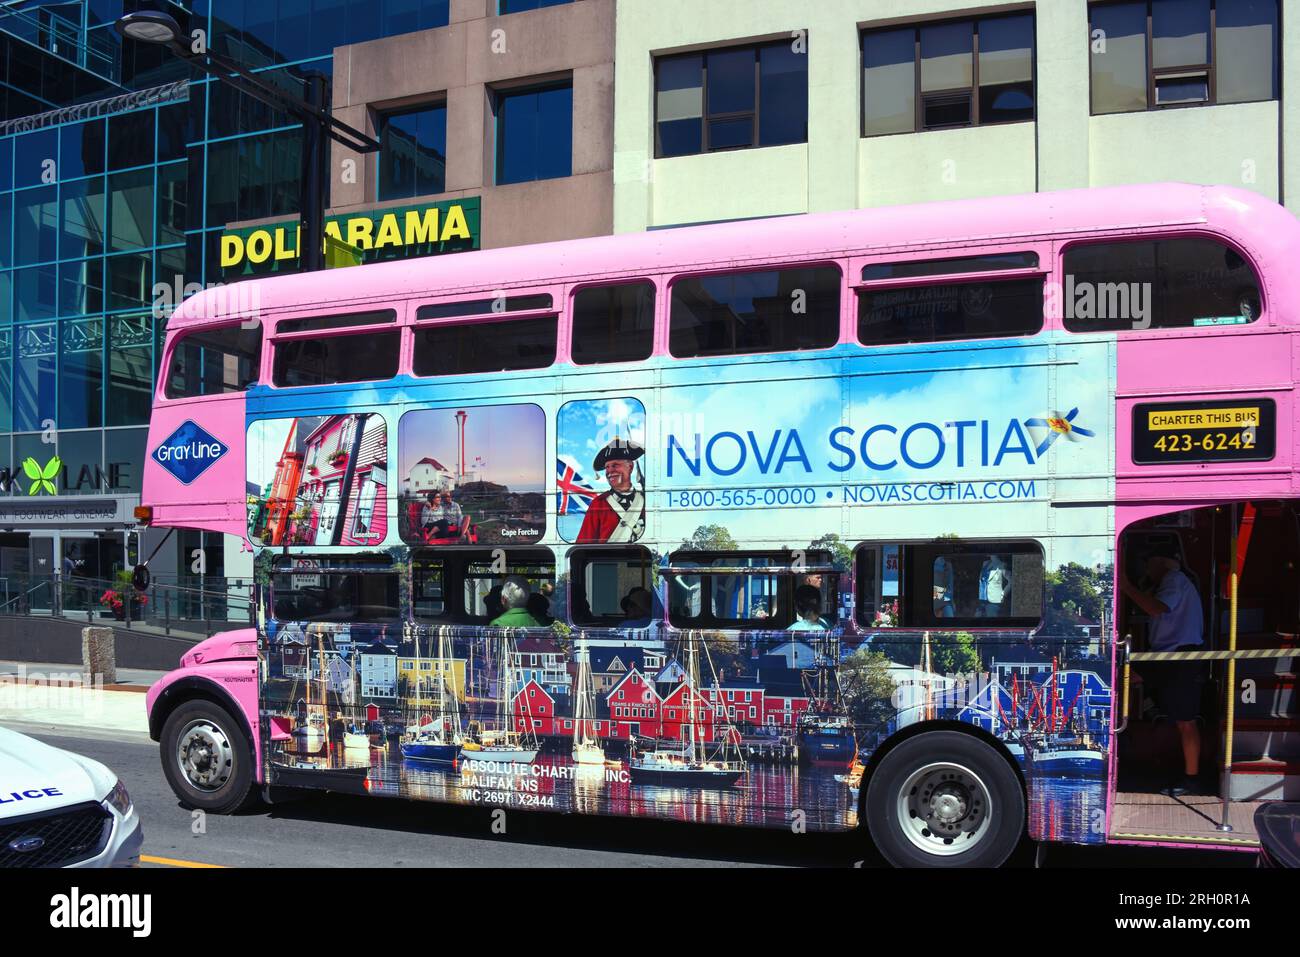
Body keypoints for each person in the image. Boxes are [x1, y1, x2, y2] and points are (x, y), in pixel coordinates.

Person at [1119, 547, 1205, 797]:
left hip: (1178, 657)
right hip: (1167, 656)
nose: (1146, 569)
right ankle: (1129, 730)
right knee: (1123, 680)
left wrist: (1126, 587)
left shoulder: (1173, 581)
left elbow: (1157, 608)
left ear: (1159, 564)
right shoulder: (1171, 582)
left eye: (1148, 564)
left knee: (1186, 721)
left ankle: (1193, 780)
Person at [577, 438, 645, 543]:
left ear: (630, 467)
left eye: (615, 465)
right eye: (607, 467)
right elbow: (582, 545)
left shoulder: (645, 500)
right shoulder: (598, 503)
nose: (609, 471)